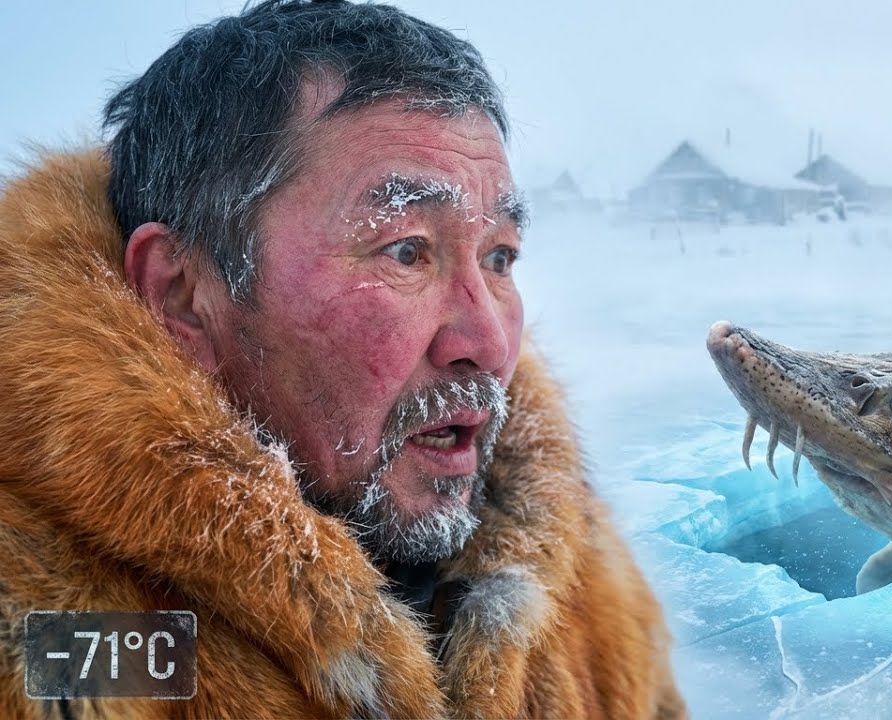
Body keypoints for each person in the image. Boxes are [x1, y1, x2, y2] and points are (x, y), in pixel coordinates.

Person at [0, 1, 684, 717]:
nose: (488, 344)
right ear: (183, 294)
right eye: (406, 250)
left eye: (499, 256)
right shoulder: (53, 621)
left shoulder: (574, 580)